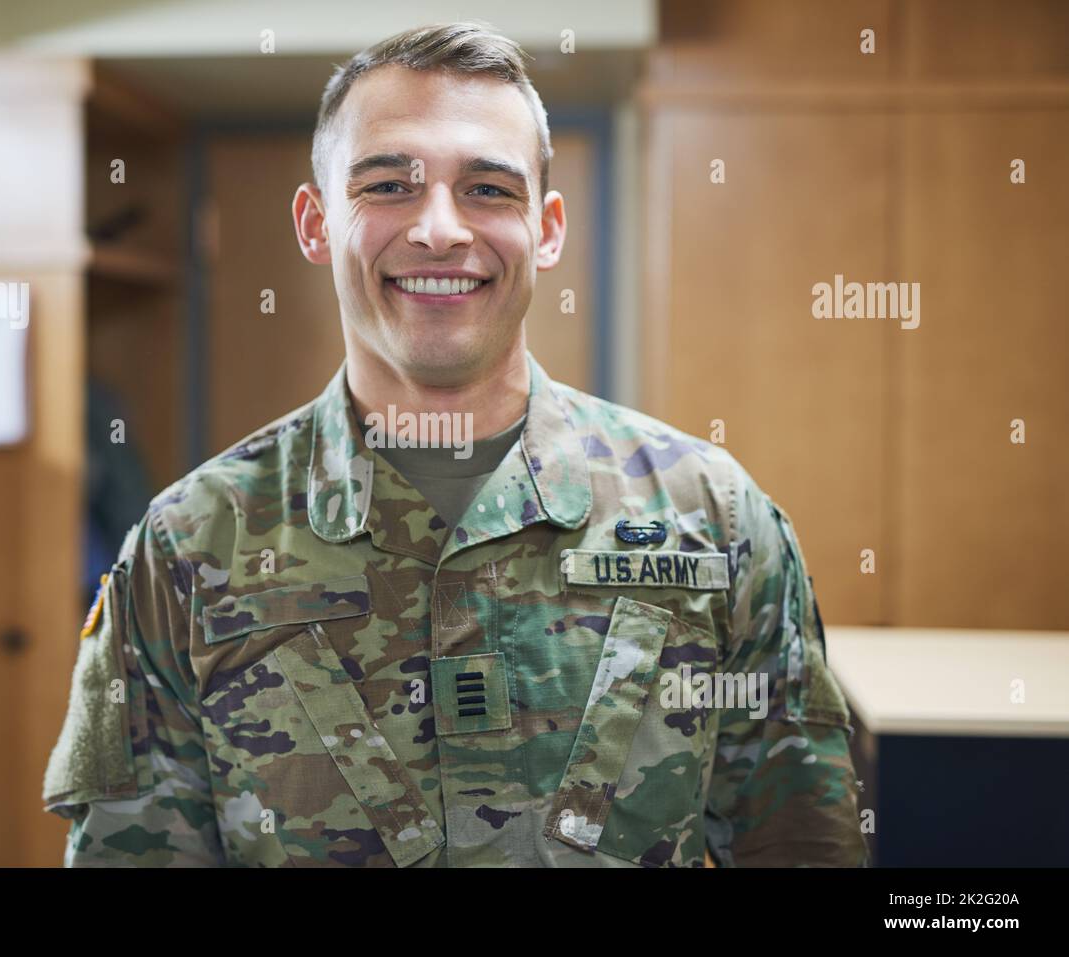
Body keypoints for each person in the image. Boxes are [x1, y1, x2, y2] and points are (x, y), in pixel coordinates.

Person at [42, 21, 869, 868]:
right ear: (316, 223)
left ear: (547, 229)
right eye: (389, 185)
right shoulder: (187, 546)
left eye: (486, 189)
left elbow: (802, 845)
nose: (440, 229)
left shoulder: (713, 519)